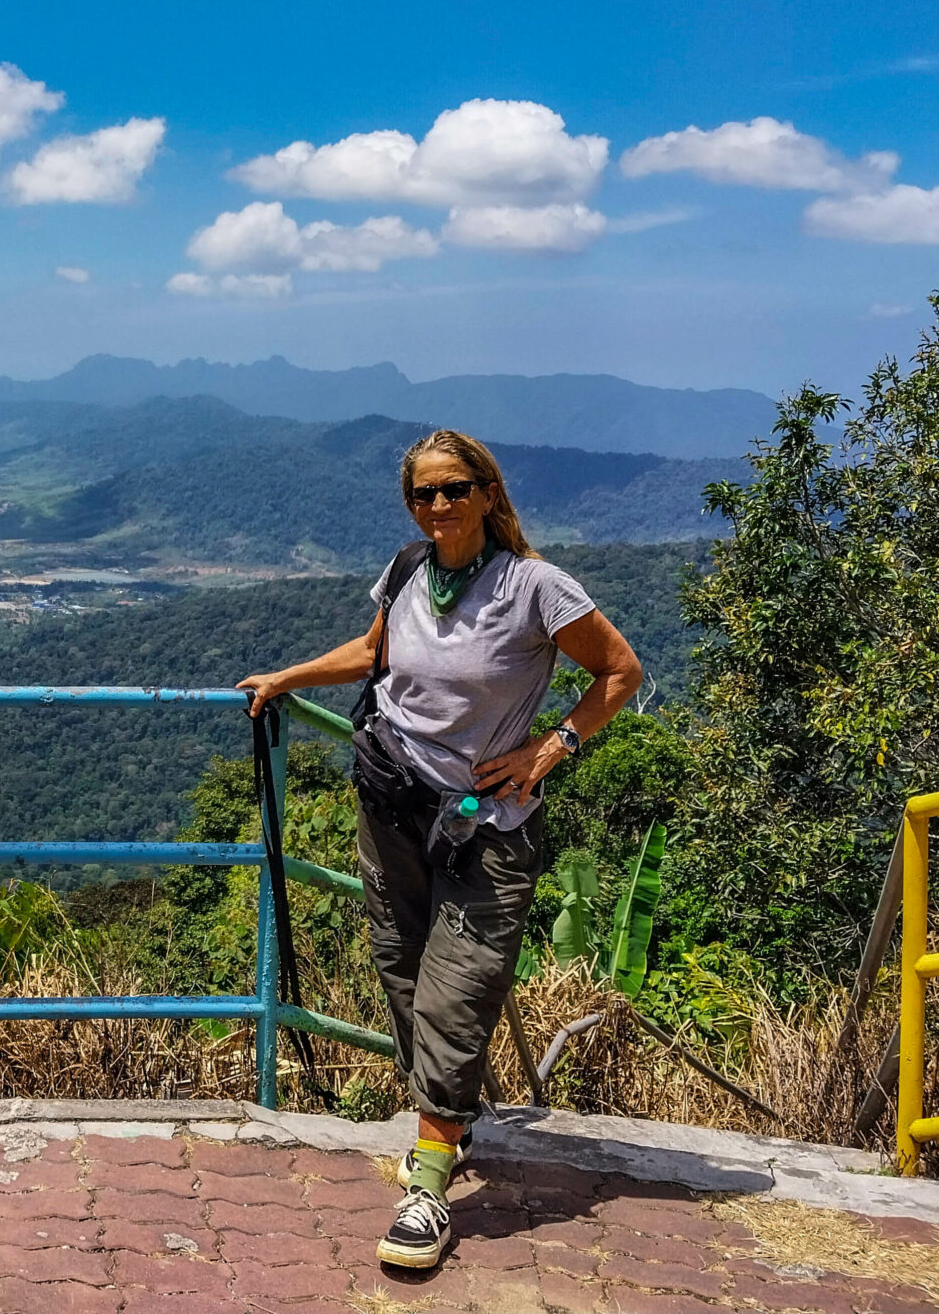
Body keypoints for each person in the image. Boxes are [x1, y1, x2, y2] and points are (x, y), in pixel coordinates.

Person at [238, 429, 642, 1271]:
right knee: (402, 971)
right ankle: (449, 1126)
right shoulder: (407, 570)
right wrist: (284, 679)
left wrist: (552, 747)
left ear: (488, 493)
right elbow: (373, 653)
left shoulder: (534, 587)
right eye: (424, 493)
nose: (440, 505)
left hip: (487, 829)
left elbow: (619, 672)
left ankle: (426, 1190)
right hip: (392, 806)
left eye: (455, 489)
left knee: (455, 997)